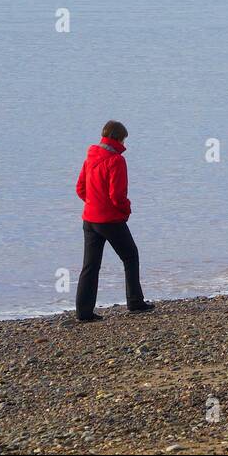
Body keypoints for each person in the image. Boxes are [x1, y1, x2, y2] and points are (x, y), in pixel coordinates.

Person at [74, 120, 152, 321]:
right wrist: (126, 210)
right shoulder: (116, 160)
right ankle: (135, 302)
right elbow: (117, 195)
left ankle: (83, 312)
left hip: (89, 219)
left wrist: (94, 203)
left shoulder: (90, 157)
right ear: (119, 138)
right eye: (124, 139)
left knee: (90, 266)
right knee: (130, 256)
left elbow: (80, 189)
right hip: (109, 220)